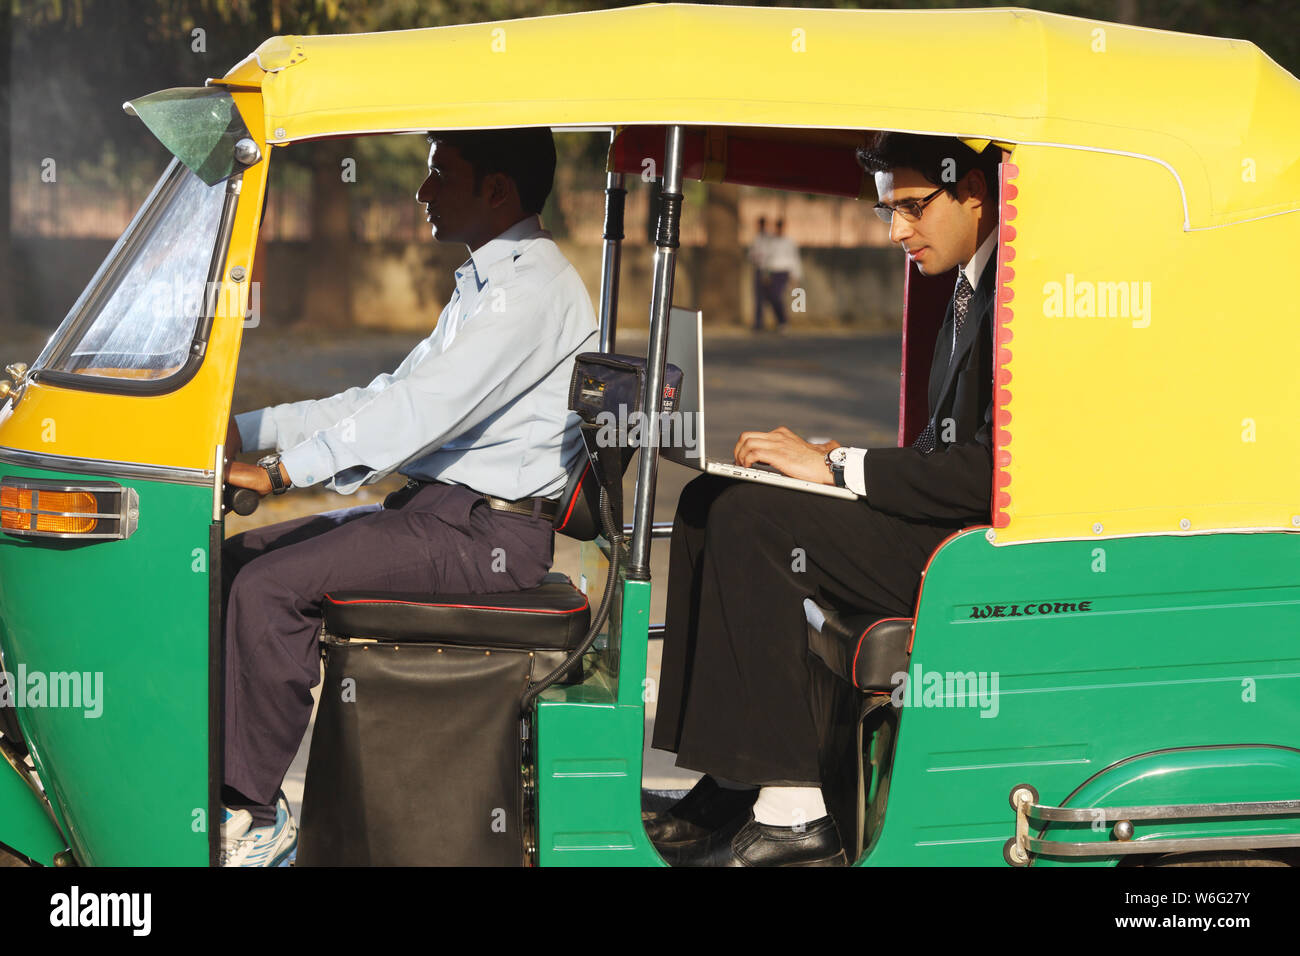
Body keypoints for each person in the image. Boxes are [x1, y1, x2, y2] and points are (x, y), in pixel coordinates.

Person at [217, 127, 597, 866]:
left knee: (269, 588)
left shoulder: (532, 292)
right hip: (439, 518)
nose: (422, 192)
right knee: (235, 562)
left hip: (487, 539)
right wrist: (240, 429)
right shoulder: (490, 284)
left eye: (438, 174)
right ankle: (215, 786)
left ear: (496, 189)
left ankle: (253, 815)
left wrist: (286, 472)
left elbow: (417, 414)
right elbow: (388, 395)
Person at [646, 131, 1002, 866]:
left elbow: (987, 472)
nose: (898, 230)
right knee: (710, 502)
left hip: (974, 555)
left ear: (974, 190)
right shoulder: (969, 288)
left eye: (913, 207)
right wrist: (828, 465)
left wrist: (838, 465)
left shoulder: (1014, 297)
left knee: (753, 521)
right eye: (888, 211)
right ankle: (731, 775)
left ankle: (796, 811)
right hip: (939, 527)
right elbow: (945, 452)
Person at [756, 218, 802, 331]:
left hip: (783, 272)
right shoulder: (771, 242)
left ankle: (783, 321)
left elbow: (794, 259)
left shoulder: (789, 242)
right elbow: (766, 259)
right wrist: (765, 273)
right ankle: (780, 321)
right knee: (771, 297)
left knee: (777, 296)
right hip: (772, 272)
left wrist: (796, 275)